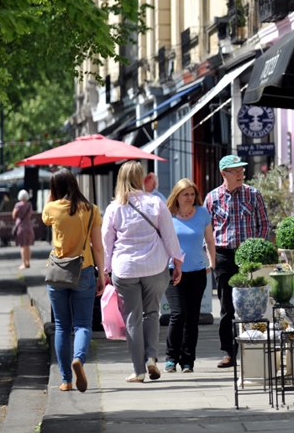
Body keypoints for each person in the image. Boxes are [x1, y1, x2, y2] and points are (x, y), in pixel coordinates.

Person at [103, 161, 184, 382]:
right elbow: (169, 236)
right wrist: (177, 263)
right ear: (141, 178)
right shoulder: (155, 203)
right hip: (155, 267)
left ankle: (138, 370)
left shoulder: (114, 208)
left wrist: (105, 270)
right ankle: (151, 358)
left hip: (125, 268)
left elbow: (106, 243)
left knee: (132, 317)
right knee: (152, 313)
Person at [42, 170, 105, 393]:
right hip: (84, 271)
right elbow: (98, 246)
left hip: (58, 273)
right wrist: (102, 274)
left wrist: (52, 197)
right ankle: (78, 359)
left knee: (61, 325)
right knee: (82, 325)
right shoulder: (91, 210)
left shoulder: (51, 208)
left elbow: (45, 218)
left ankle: (66, 380)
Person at [204, 155, 270, 368]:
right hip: (224, 255)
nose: (241, 173)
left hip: (249, 256)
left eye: (242, 169)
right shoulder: (212, 198)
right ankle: (229, 352)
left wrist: (256, 250)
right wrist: (211, 257)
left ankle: (255, 346)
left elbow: (264, 226)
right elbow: (206, 231)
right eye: (235, 170)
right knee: (226, 307)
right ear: (224, 173)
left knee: (254, 304)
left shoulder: (253, 194)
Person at [163, 178, 216, 373]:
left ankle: (187, 361)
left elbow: (210, 240)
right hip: (172, 272)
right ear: (177, 196)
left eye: (192, 194)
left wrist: (212, 263)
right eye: (186, 194)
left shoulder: (202, 213)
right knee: (178, 314)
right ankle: (171, 358)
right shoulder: (168, 215)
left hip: (198, 273)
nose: (190, 198)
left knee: (192, 318)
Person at [12, 190, 35, 270]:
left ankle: (24, 263)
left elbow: (14, 215)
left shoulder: (18, 205)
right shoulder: (29, 205)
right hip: (29, 226)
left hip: (21, 227)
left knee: (22, 246)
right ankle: (28, 262)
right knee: (28, 246)